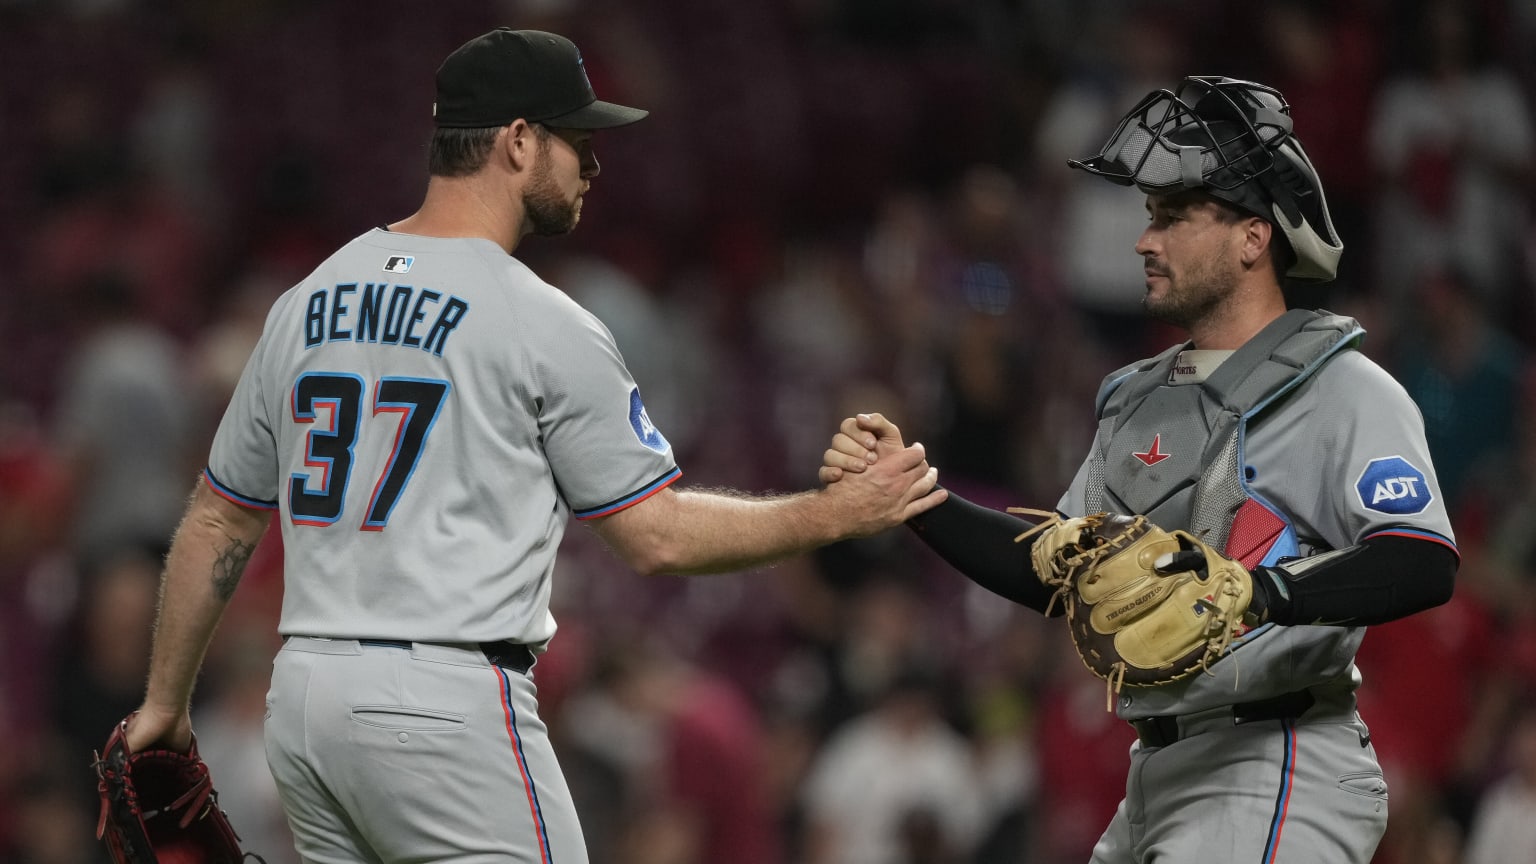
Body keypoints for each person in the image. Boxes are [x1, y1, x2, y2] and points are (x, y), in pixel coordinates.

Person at [120, 28, 945, 864]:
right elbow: (656, 537)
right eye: (577, 141)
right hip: (442, 708)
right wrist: (835, 513)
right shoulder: (540, 319)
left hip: (302, 701)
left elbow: (220, 520)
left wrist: (163, 705)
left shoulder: (305, 300)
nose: (593, 166)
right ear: (518, 141)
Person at [823, 76, 1459, 862]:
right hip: (1156, 768)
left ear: (1253, 237)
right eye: (1149, 216)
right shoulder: (1137, 398)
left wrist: (1261, 591)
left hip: (1276, 756)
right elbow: (1056, 569)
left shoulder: (1345, 386)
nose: (1143, 239)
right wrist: (913, 498)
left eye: (1173, 215)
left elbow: (1423, 560)